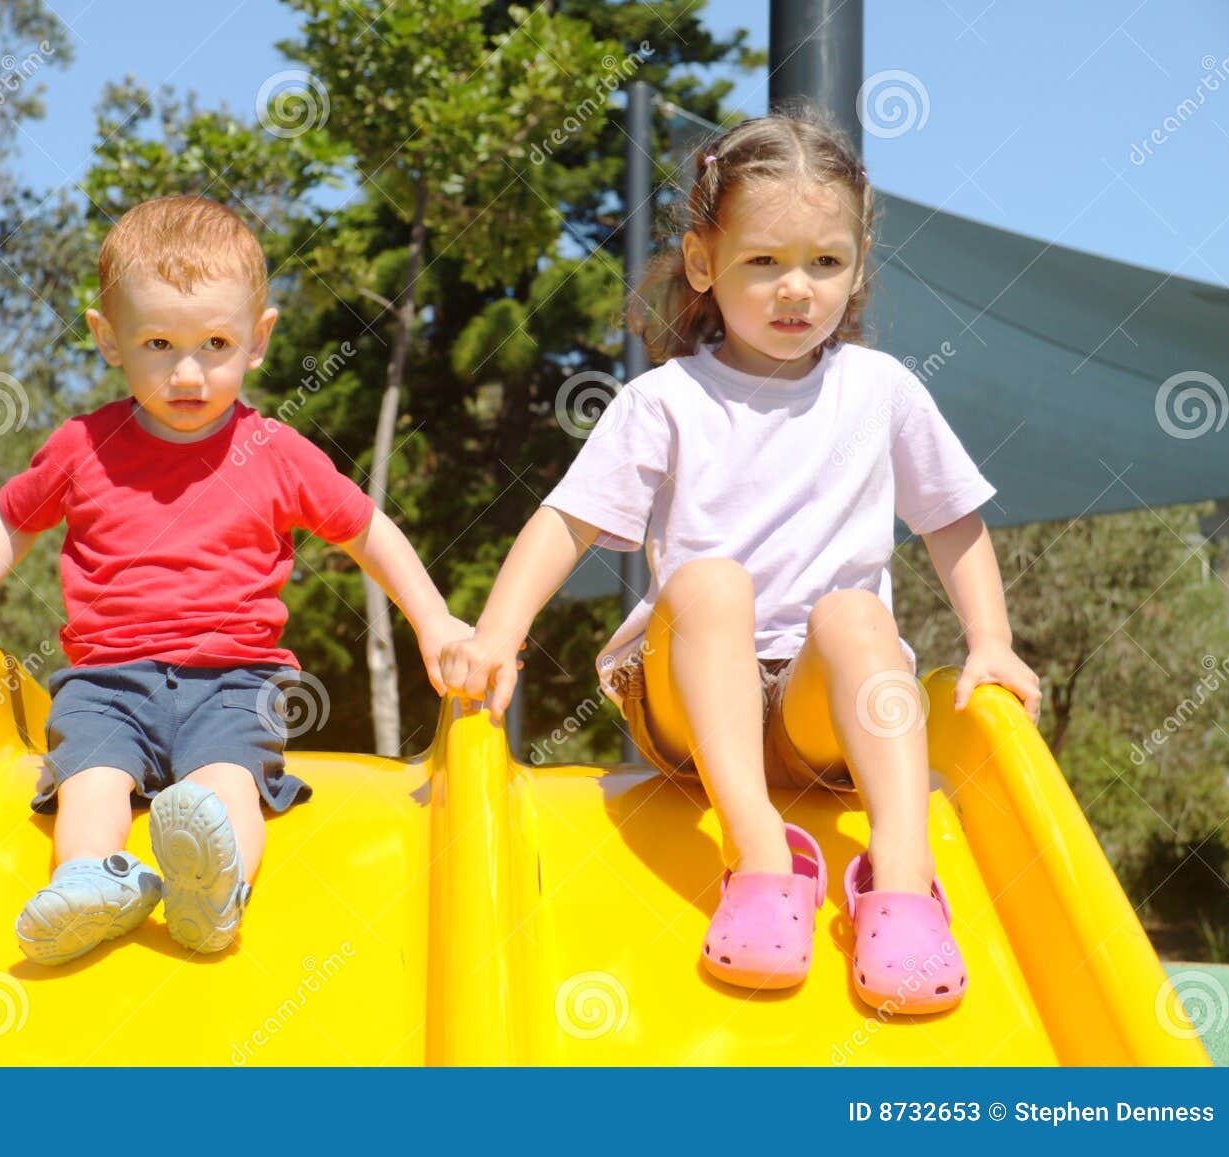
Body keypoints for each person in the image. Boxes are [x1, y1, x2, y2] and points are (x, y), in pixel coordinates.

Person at [440, 111, 1040, 1014]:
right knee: (711, 583)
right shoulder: (666, 400)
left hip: (822, 714)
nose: (796, 289)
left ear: (858, 267)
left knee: (858, 615)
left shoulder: (882, 392)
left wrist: (990, 640)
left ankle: (905, 881)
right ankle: (760, 852)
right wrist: (497, 633)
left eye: (825, 262)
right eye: (763, 261)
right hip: (689, 701)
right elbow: (566, 521)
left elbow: (952, 520)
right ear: (702, 264)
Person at [0, 194, 468, 965]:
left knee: (226, 783)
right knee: (92, 781)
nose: (186, 371)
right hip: (104, 680)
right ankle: (89, 881)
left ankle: (216, 891)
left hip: (235, 678)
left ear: (258, 338)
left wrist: (433, 620)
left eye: (214, 343)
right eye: (157, 343)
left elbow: (366, 528)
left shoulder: (275, 451)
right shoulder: (83, 446)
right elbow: (13, 516)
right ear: (107, 338)